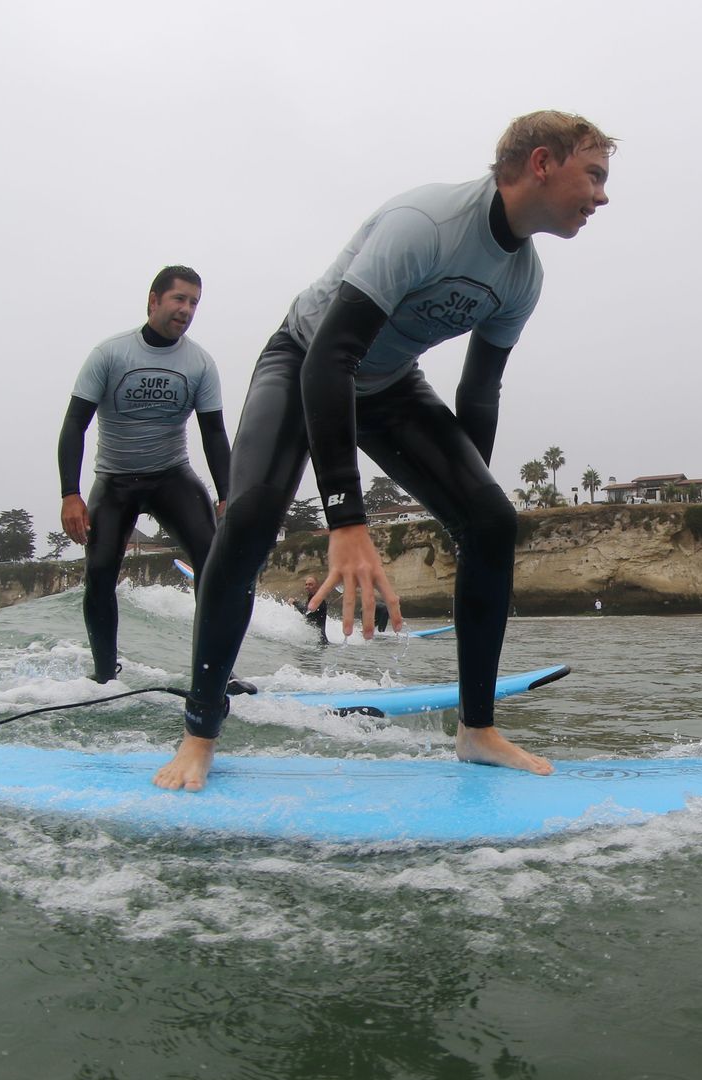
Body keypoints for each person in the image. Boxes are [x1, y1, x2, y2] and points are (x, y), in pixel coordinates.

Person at [155, 111, 615, 791]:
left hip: (391, 384)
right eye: (595, 175)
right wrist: (346, 520)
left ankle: (477, 729)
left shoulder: (523, 278)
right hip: (307, 359)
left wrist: (463, 507)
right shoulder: (425, 225)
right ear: (542, 163)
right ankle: (199, 731)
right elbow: (331, 357)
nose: (602, 196)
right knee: (250, 518)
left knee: (492, 520)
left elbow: (479, 393)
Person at [59, 266, 230, 683]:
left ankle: (213, 676)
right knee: (99, 572)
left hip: (172, 476)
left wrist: (228, 494)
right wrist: (70, 494)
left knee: (213, 565)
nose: (186, 310)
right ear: (153, 300)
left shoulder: (199, 362)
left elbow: (214, 433)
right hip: (116, 481)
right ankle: (104, 678)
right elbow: (73, 425)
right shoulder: (110, 354)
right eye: (179, 299)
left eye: (194, 303)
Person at [293, 572, 388, 638]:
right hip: (314, 643)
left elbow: (306, 611)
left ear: (317, 587)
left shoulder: (319, 602)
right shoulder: (311, 600)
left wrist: (294, 602)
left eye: (310, 584)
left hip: (320, 645)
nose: (307, 587)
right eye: (306, 585)